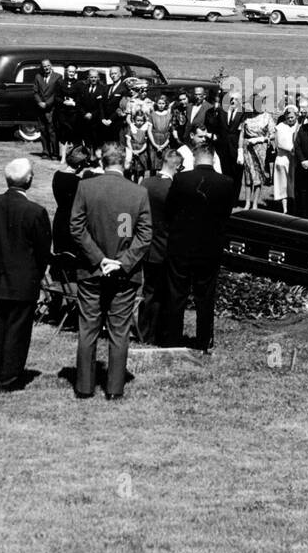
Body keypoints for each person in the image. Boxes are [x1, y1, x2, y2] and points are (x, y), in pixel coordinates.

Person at [69, 143, 152, 398]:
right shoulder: (138, 192)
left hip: (92, 271)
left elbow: (76, 228)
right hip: (123, 273)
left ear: (101, 161)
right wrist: (122, 262)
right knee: (119, 331)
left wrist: (99, 259)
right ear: (125, 162)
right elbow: (145, 235)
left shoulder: (85, 187)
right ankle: (114, 388)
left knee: (88, 328)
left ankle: (84, 387)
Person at [0, 158, 51, 393]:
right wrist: (38, 274)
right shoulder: (35, 212)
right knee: (17, 333)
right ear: (28, 179)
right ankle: (8, 379)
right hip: (23, 281)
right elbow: (43, 251)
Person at [159, 143, 234, 353]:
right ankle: (204, 340)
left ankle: (173, 338)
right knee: (205, 295)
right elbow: (226, 214)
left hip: (181, 244)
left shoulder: (181, 179)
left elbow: (169, 210)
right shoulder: (226, 183)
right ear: (213, 158)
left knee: (176, 293)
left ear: (194, 158)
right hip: (209, 247)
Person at [138, 149, 180, 343]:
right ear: (177, 167)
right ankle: (155, 333)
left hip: (146, 245)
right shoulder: (173, 189)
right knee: (161, 292)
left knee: (148, 290)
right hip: (165, 246)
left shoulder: (146, 183)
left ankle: (144, 330)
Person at [239, 95, 274, 210]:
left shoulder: (267, 116)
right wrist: (239, 150)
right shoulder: (247, 116)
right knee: (248, 176)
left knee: (258, 176)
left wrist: (260, 139)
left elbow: (272, 135)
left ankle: (254, 204)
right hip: (247, 147)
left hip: (260, 148)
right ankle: (247, 203)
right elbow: (241, 134)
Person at [271, 105, 298, 214]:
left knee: (294, 183)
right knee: (282, 184)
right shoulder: (280, 126)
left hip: (295, 159)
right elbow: (278, 143)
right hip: (282, 158)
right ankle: (285, 209)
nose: (290, 119)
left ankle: (295, 207)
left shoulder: (299, 126)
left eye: (292, 117)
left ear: (296, 116)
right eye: (288, 117)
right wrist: (289, 149)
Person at [33, 60, 61, 160]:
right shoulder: (38, 76)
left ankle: (55, 153)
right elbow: (35, 92)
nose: (46, 68)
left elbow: (57, 93)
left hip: (51, 108)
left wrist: (47, 103)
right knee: (43, 130)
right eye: (44, 66)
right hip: (41, 108)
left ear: (51, 66)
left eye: (48, 66)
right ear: (42, 67)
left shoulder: (58, 77)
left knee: (52, 131)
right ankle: (46, 152)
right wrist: (40, 102)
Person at [77, 69, 106, 149]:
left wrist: (92, 114)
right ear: (88, 78)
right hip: (85, 119)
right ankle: (88, 155)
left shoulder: (103, 89)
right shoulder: (83, 88)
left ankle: (96, 155)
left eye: (95, 77)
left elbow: (102, 106)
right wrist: (84, 114)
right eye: (92, 77)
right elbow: (79, 103)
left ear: (98, 78)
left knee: (96, 141)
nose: (93, 79)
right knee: (87, 141)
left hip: (96, 120)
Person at [147, 93, 174, 175]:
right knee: (153, 165)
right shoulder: (152, 115)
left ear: (166, 104)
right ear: (156, 104)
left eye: (163, 103)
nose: (161, 105)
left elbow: (171, 132)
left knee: (164, 164)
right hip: (154, 141)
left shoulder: (169, 115)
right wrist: (155, 144)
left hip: (165, 141)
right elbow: (149, 131)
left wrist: (163, 146)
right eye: (159, 103)